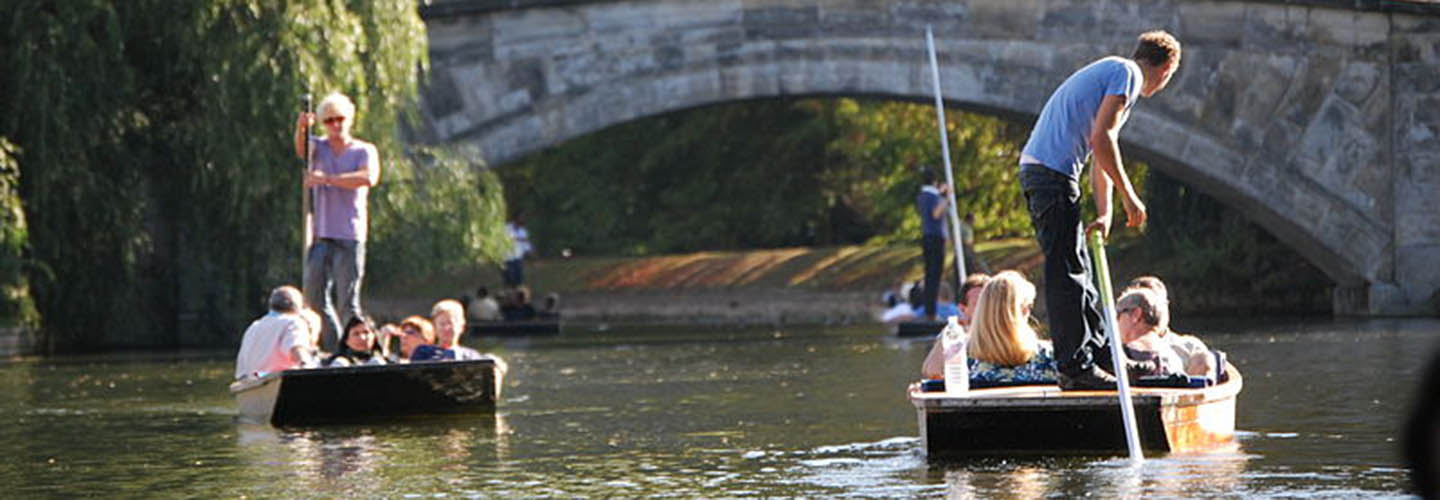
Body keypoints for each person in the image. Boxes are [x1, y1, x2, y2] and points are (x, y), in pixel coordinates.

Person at [1017, 31, 1181, 390]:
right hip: (1049, 175)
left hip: (1052, 175)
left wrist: (1105, 212)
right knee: (1067, 273)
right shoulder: (1127, 74)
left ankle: (1106, 357)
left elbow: (1100, 155)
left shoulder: (1115, 76)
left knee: (1083, 275)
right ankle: (1074, 369)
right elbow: (1101, 140)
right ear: (1166, 68)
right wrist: (1129, 195)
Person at [294, 92, 381, 353]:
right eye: (329, 121)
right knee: (313, 296)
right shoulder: (318, 147)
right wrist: (301, 127)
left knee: (348, 300)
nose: (335, 125)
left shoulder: (364, 150)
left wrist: (327, 180)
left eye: (339, 119)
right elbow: (301, 150)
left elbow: (368, 178)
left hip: (350, 234)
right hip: (321, 233)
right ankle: (336, 347)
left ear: (349, 119)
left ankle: (359, 348)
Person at [1125, 275, 1216, 378]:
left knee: (1204, 358)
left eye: (1153, 306)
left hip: (1178, 392)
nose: (1147, 313)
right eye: (1138, 306)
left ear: (1166, 306)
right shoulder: (1113, 349)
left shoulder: (1190, 346)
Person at [920, 273, 994, 378]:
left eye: (989, 303)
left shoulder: (1008, 331)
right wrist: (949, 333)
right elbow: (931, 370)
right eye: (977, 304)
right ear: (963, 309)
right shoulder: (956, 335)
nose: (985, 309)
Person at [235, 286, 314, 379]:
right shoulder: (293, 322)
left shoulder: (253, 327)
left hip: (252, 382)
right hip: (279, 382)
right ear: (298, 307)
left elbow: (242, 371)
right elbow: (296, 350)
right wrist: (307, 365)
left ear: (271, 305)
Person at [1114, 288, 1185, 377]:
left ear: (1136, 314)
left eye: (1118, 315)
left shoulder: (1124, 352)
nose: (1116, 321)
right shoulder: (1174, 357)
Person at [915, 167, 951, 321]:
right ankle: (931, 313)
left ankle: (930, 310)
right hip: (935, 238)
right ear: (935, 182)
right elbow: (936, 213)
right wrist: (946, 197)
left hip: (927, 237)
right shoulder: (931, 196)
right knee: (934, 275)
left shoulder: (922, 196)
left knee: (930, 275)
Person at [503, 217, 532, 287]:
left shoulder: (523, 231)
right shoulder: (506, 228)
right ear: (515, 221)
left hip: (518, 257)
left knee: (519, 277)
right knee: (509, 277)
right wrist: (519, 239)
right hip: (507, 257)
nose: (520, 226)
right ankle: (508, 291)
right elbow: (506, 239)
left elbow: (526, 242)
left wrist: (529, 250)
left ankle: (518, 292)